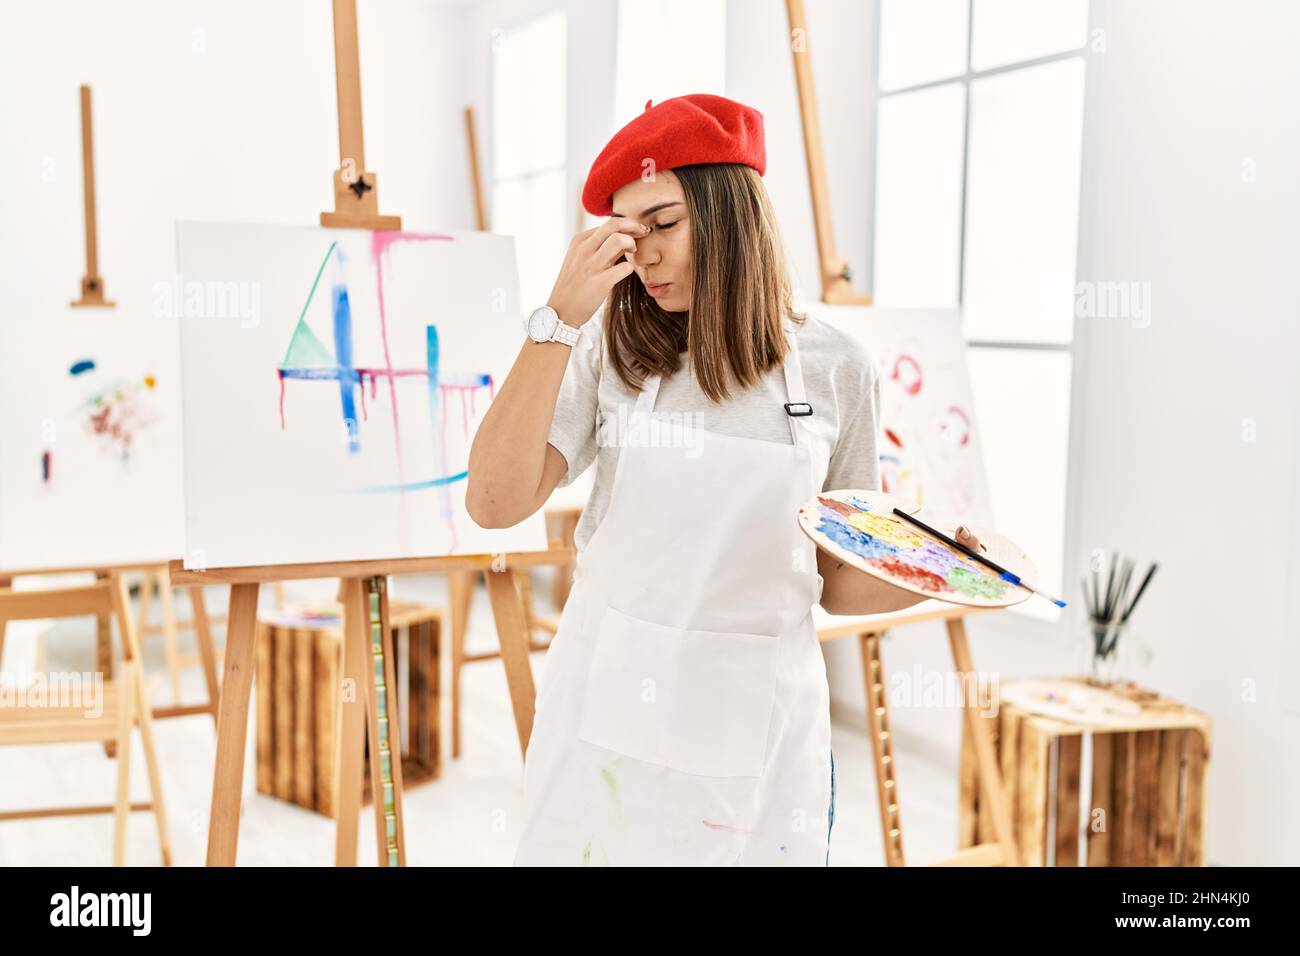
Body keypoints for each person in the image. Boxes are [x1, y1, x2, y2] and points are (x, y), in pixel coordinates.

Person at [467, 93, 981, 866]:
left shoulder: (838, 368)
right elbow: (493, 502)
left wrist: (936, 571)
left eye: (664, 224)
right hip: (607, 723)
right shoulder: (609, 350)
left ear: (731, 210)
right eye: (627, 233)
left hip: (761, 733)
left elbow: (838, 580)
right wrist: (559, 318)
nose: (643, 256)